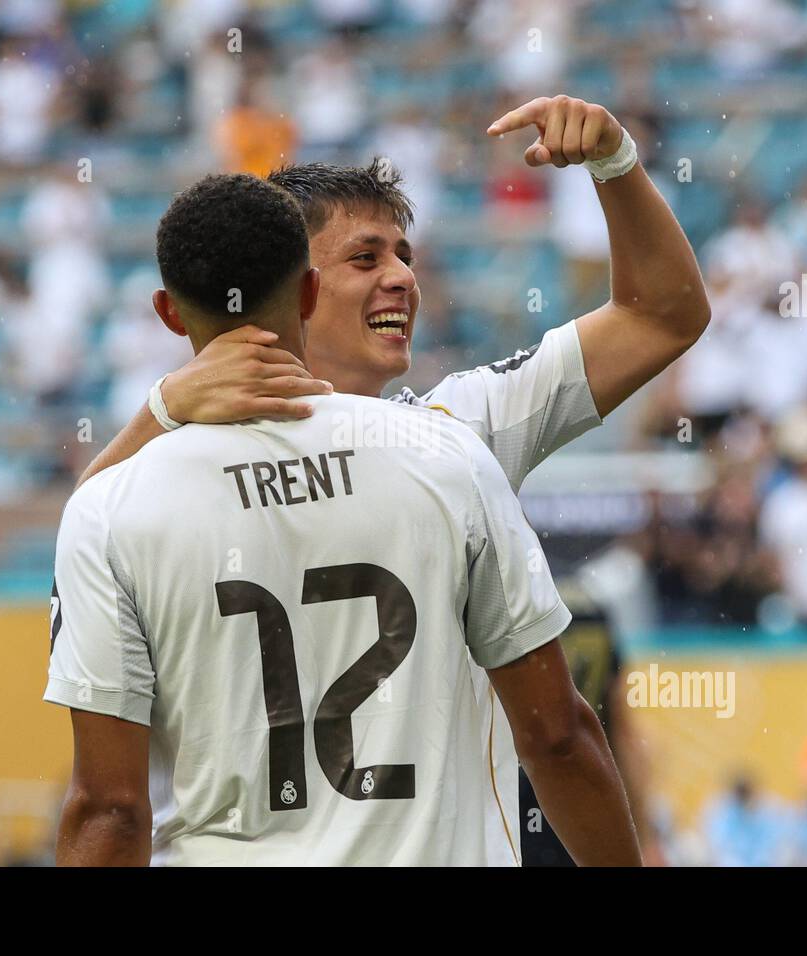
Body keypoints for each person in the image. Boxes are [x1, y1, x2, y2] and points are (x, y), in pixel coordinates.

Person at [76, 94, 709, 860]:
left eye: (405, 255)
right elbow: (558, 735)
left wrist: (616, 163)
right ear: (298, 285)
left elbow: (662, 315)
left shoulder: (447, 427)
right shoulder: (451, 447)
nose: (404, 277)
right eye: (366, 257)